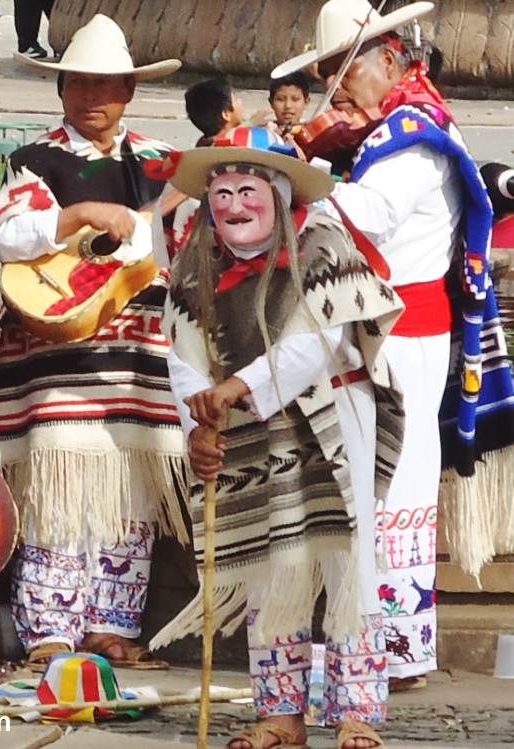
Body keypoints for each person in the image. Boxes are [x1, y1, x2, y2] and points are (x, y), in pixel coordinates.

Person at [272, 0, 514, 693]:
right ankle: (380, 643)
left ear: (387, 61)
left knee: (386, 483)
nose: (334, 91)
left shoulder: (409, 136)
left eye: (342, 74)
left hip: (398, 334)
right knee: (373, 482)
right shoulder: (391, 128)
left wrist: (295, 185)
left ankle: (387, 650)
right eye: (326, 77)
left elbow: (369, 218)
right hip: (383, 329)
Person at [153, 126, 405, 749]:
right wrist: (198, 426)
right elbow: (181, 352)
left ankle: (358, 712)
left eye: (248, 191)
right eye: (222, 194)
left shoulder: (323, 245)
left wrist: (234, 390)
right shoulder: (195, 261)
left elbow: (313, 346)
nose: (234, 207)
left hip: (333, 412)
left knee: (349, 558)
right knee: (268, 566)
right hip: (245, 427)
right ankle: (281, 713)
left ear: (280, 193)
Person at [0, 14, 189, 673]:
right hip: (56, 357)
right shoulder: (34, 161)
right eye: (78, 84)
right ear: (61, 90)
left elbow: (181, 244)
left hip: (137, 358)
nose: (91, 98)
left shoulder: (161, 165)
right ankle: (48, 627)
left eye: (105, 86)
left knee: (130, 493)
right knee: (59, 485)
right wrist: (71, 217)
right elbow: (7, 239)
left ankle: (110, 624)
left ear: (128, 93)